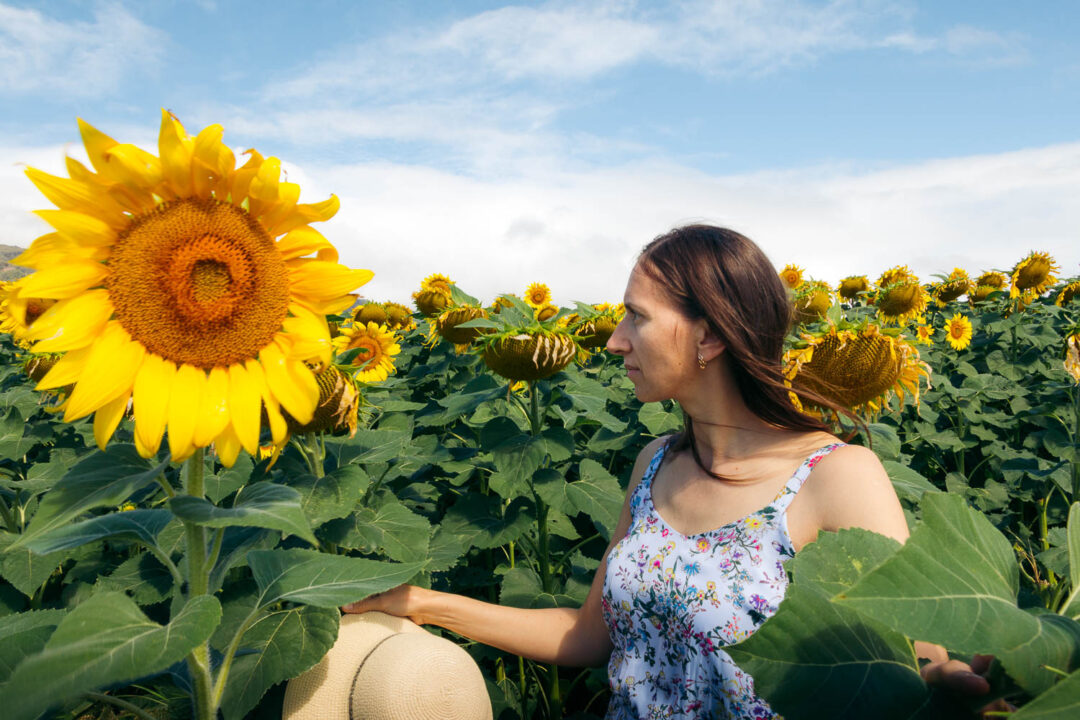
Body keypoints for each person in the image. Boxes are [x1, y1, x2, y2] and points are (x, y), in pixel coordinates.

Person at [345, 225, 997, 718]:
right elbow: (585, 637)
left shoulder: (835, 475)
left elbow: (910, 656)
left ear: (709, 337)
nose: (614, 339)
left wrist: (942, 677)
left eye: (637, 316)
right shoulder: (654, 463)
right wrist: (422, 603)